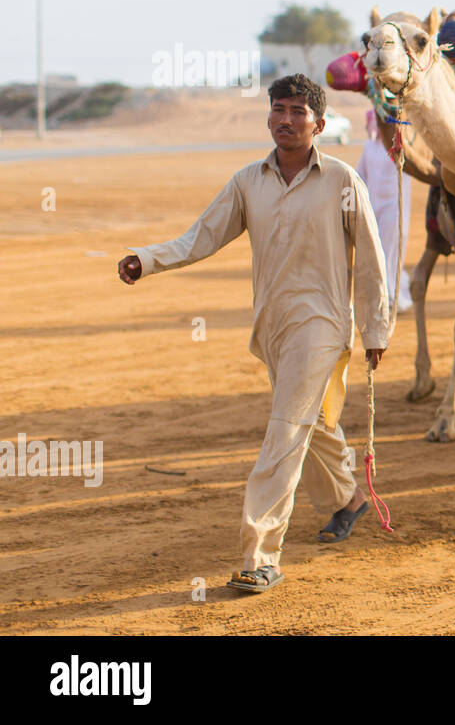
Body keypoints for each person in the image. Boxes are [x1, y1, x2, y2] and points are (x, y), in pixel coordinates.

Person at [116, 74, 389, 594]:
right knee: (315, 424)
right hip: (273, 327)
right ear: (268, 117)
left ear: (319, 124)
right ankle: (348, 498)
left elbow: (373, 260)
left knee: (285, 429)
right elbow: (202, 236)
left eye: (297, 112)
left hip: (324, 323)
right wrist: (147, 260)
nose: (285, 119)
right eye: (278, 109)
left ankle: (260, 553)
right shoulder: (247, 182)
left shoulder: (342, 181)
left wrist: (376, 326)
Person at [355, 108, 413, 313]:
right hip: (372, 209)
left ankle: (391, 296)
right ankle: (378, 295)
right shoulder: (369, 147)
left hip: (394, 209)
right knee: (374, 253)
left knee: (389, 252)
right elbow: (359, 176)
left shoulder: (400, 148)